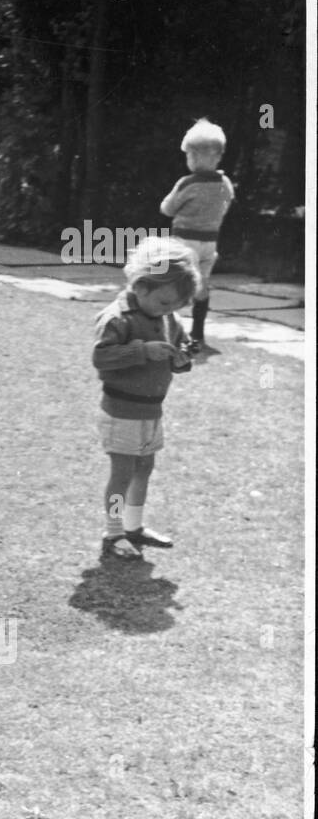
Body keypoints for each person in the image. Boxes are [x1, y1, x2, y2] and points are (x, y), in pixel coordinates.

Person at [92, 237, 198, 559]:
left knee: (144, 468)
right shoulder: (117, 317)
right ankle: (113, 533)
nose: (170, 311)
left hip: (151, 410)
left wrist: (182, 359)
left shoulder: (168, 318)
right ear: (141, 287)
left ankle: (134, 527)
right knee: (123, 471)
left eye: (176, 306)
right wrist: (142, 351)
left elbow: (182, 348)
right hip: (122, 411)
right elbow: (102, 357)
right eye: (165, 303)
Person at [159, 119, 234, 353]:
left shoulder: (187, 183)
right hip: (209, 242)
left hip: (184, 240)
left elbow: (168, 209)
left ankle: (166, 326)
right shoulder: (225, 184)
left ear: (199, 156)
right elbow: (226, 206)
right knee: (202, 285)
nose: (188, 160)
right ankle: (198, 332)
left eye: (189, 155)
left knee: (173, 280)